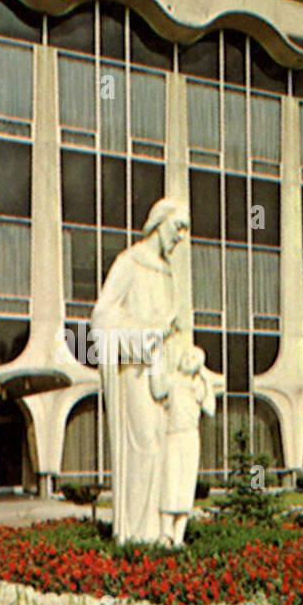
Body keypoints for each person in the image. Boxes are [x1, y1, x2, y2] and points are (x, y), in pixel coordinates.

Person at [90, 198, 190, 544]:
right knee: (144, 446)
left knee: (161, 449)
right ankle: (134, 534)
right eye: (178, 227)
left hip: (161, 373)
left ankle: (157, 533)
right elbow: (102, 317)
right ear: (159, 222)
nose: (181, 236)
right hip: (134, 370)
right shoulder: (129, 262)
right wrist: (149, 331)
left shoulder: (167, 271)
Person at [153, 345, 215, 547]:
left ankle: (179, 537)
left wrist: (207, 383)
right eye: (186, 355)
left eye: (194, 357)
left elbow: (211, 410)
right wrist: (154, 362)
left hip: (190, 437)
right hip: (173, 436)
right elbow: (156, 390)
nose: (188, 359)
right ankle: (165, 534)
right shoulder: (172, 379)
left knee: (186, 487)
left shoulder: (198, 385)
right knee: (170, 484)